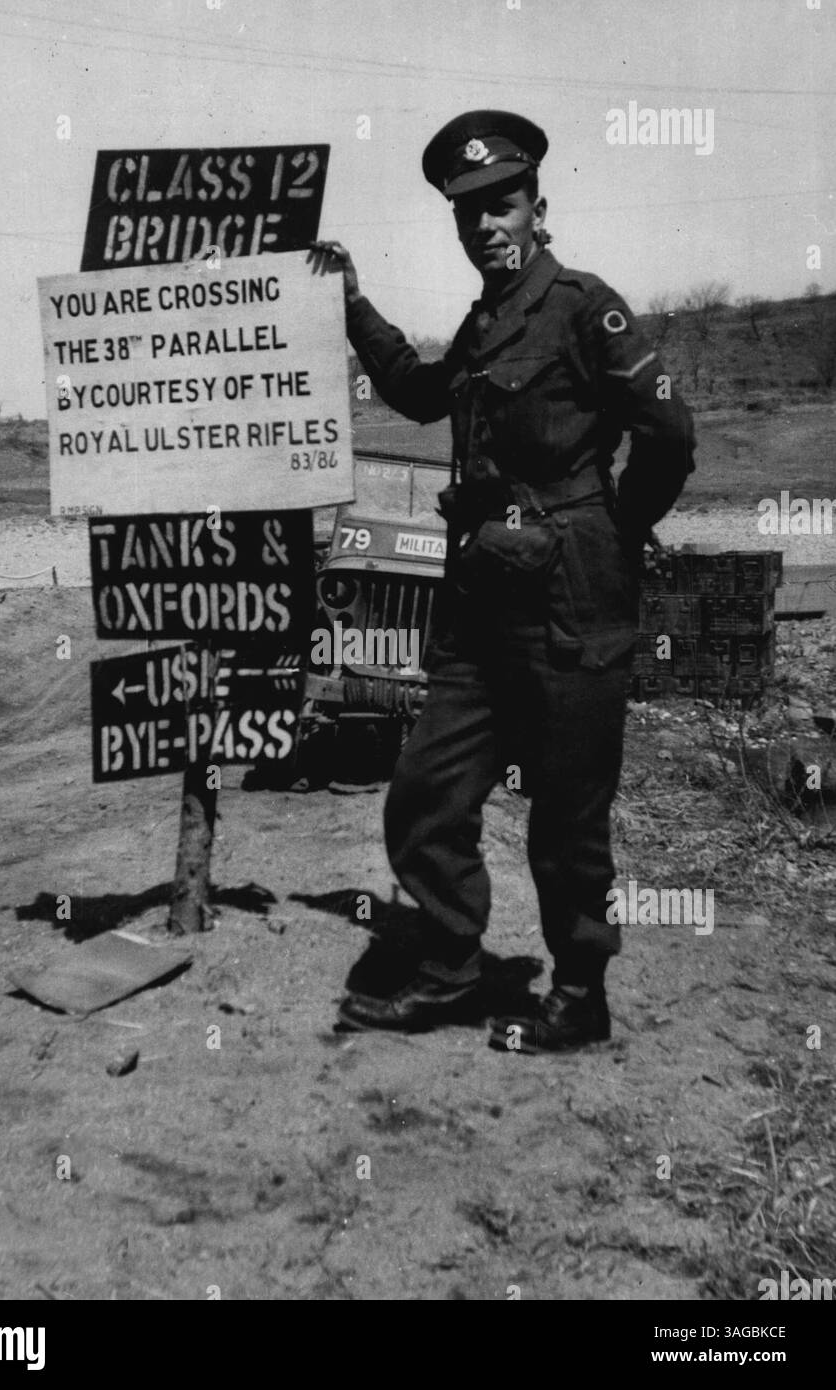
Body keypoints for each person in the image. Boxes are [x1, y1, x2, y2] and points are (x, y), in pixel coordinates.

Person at [309, 110, 695, 1051]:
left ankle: (577, 995)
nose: (486, 224)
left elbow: (670, 434)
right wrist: (352, 302)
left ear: (537, 209)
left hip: (569, 604)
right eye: (469, 212)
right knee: (425, 792)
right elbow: (416, 389)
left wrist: (605, 528)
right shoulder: (484, 327)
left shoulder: (583, 307)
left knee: (566, 815)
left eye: (503, 205)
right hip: (481, 602)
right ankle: (451, 967)